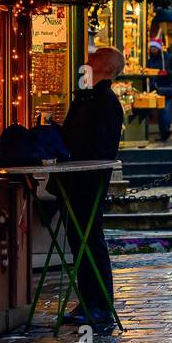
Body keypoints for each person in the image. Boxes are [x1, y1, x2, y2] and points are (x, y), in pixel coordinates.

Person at [59, 46, 125, 327]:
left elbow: (100, 147)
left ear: (107, 68)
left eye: (95, 58)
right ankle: (88, 299)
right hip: (74, 180)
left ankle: (99, 304)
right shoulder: (87, 97)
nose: (88, 60)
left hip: (88, 182)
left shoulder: (105, 102)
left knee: (90, 239)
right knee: (78, 240)